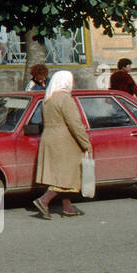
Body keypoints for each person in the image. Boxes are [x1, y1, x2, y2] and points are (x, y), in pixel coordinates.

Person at [32, 70, 91, 218]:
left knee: (60, 174)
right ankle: (44, 200)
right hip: (64, 141)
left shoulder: (48, 98)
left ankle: (68, 207)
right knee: (67, 175)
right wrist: (86, 143)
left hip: (49, 138)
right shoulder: (65, 98)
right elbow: (75, 124)